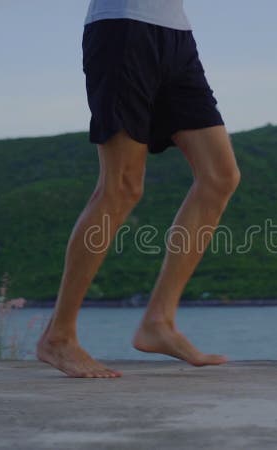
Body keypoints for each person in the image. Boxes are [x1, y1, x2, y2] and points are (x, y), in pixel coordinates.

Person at [36, 0, 240, 378]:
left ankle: (158, 323)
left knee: (220, 176)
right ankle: (58, 336)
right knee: (122, 186)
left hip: (176, 35)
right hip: (123, 28)